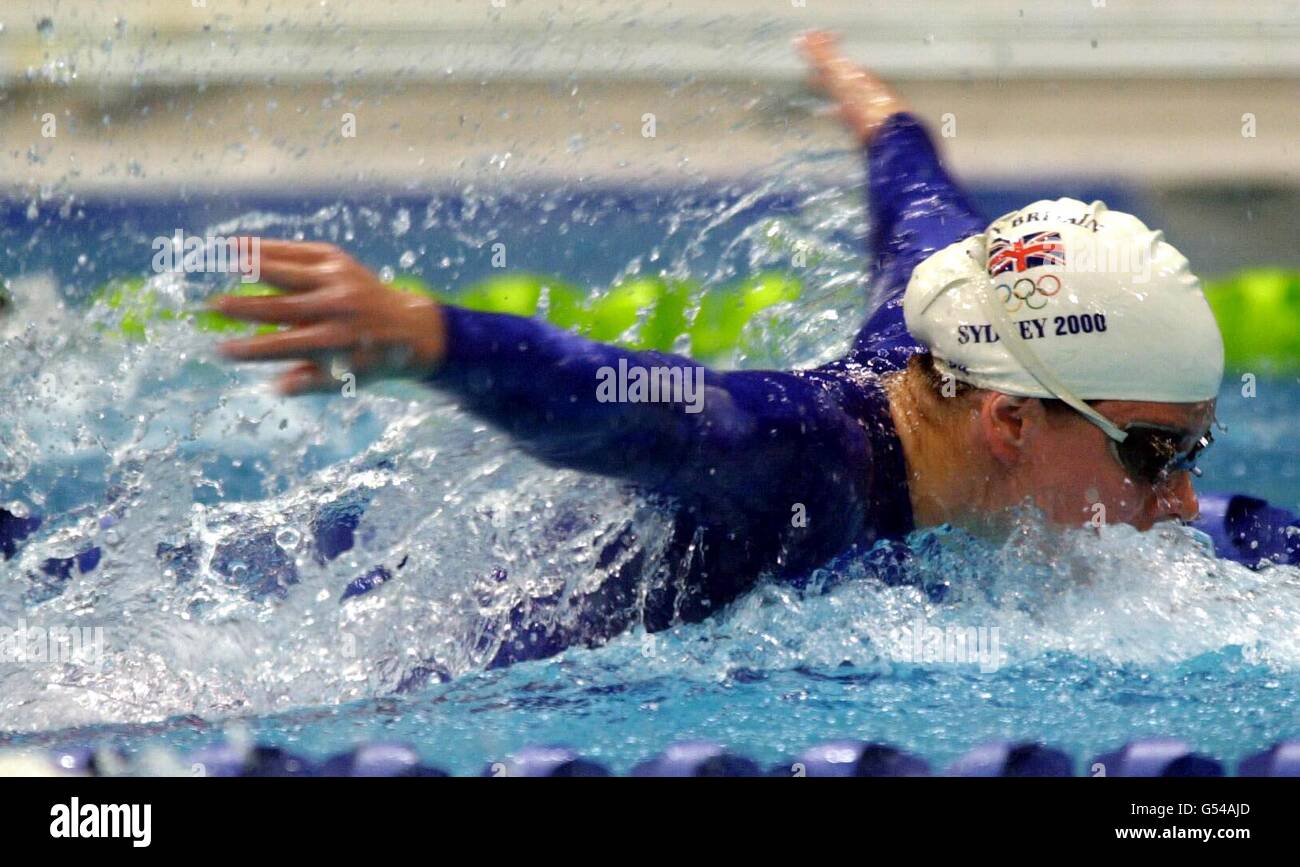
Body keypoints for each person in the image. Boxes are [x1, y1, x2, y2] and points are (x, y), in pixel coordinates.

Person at [6, 33, 1293, 672]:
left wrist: (878, 111)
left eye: (1189, 453)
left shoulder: (954, 316)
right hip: (415, 658)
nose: (1176, 499)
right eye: (1153, 454)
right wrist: (433, 338)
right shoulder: (790, 458)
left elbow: (921, 210)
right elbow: (632, 403)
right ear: (1013, 423)